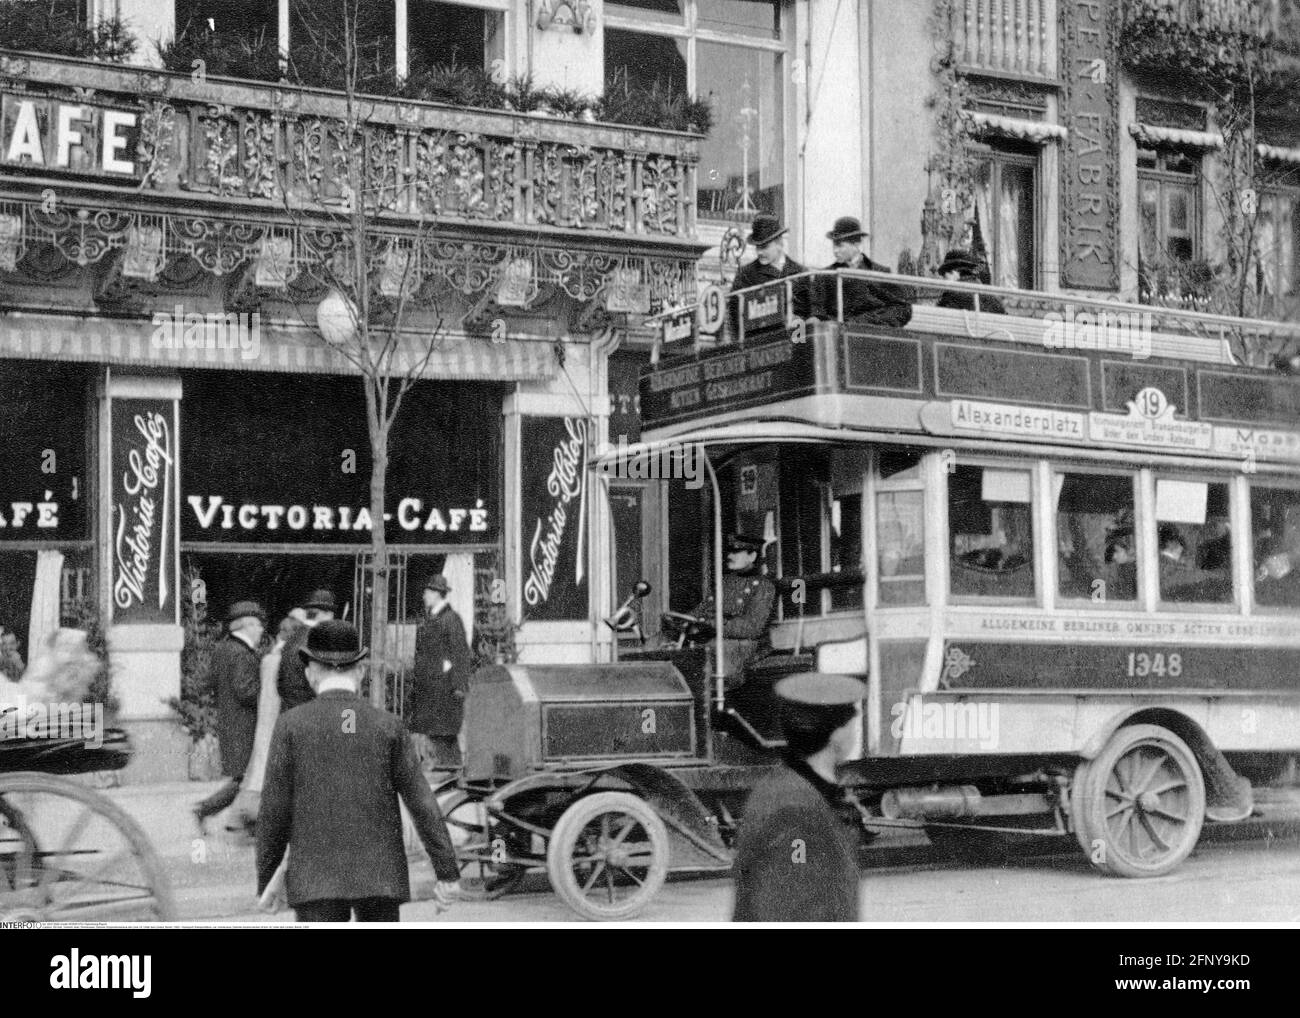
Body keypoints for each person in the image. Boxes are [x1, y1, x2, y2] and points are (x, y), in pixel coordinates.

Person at [256, 619, 462, 923]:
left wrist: (267, 879)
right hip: (380, 878)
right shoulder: (388, 725)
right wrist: (447, 873)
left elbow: (274, 810)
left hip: (316, 882)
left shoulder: (291, 725)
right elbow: (422, 803)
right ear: (361, 670)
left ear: (310, 672)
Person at [732, 672, 866, 922]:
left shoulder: (787, 786)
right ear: (838, 734)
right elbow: (790, 908)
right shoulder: (798, 813)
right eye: (852, 725)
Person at [193, 601, 265, 835]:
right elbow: (246, 691)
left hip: (230, 722)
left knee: (246, 777)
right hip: (245, 724)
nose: (261, 630)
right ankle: (208, 810)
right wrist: (267, 692)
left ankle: (243, 820)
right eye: (257, 625)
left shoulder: (222, 649)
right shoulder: (242, 654)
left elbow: (209, 683)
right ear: (245, 626)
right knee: (247, 777)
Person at [686, 533, 776, 687]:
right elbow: (702, 609)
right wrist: (685, 620)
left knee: (713, 655)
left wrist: (713, 625)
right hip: (716, 638)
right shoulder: (725, 582)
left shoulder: (763, 587)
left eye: (736, 552)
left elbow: (752, 627)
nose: (730, 556)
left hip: (742, 644)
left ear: (752, 556)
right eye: (729, 552)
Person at [408, 574, 474, 772]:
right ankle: (451, 774)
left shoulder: (450, 620)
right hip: (433, 694)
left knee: (443, 738)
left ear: (437, 594)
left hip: (444, 694)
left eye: (428, 592)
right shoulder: (434, 619)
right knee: (441, 739)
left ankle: (450, 777)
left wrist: (458, 688)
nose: (424, 596)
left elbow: (460, 656)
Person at [814, 216, 913, 326]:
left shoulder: (880, 273)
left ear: (856, 245)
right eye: (834, 245)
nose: (835, 251)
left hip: (872, 335)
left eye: (840, 246)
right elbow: (818, 312)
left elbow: (902, 308)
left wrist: (870, 321)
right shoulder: (825, 276)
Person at [729, 213, 811, 335]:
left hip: (795, 341)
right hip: (761, 343)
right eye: (758, 247)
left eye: (764, 247)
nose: (760, 252)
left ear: (779, 244)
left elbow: (810, 312)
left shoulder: (800, 273)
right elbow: (736, 317)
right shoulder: (745, 275)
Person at [277, 589, 336, 712]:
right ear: (323, 614)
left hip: (291, 712)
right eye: (331, 614)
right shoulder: (318, 641)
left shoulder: (292, 638)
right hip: (311, 713)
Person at [935, 249, 1007, 314]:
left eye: (945, 276)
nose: (943, 281)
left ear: (955, 272)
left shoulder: (951, 295)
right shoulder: (991, 296)